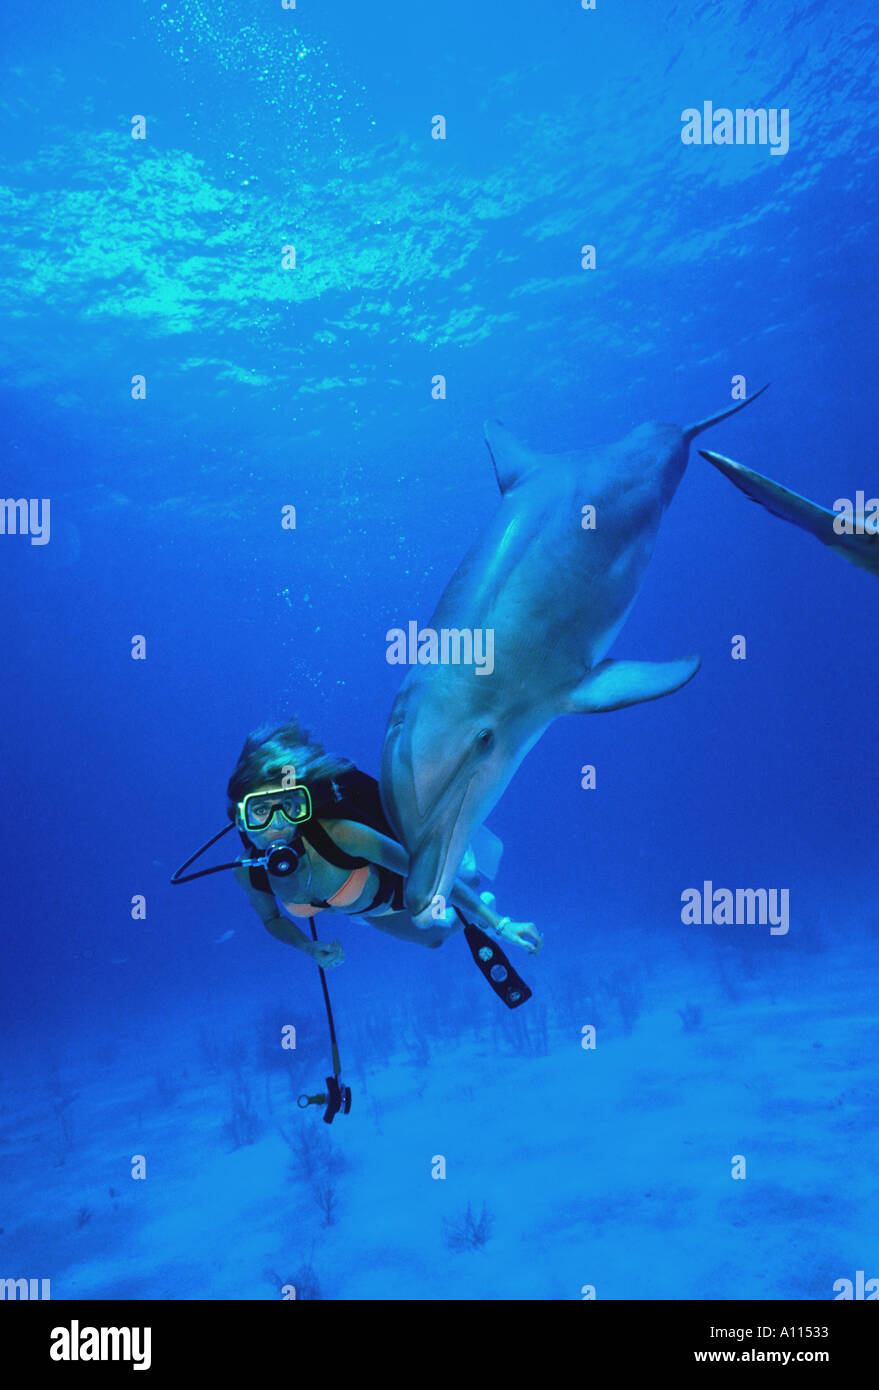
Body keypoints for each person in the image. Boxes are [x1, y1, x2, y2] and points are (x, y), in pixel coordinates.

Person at [226, 719, 542, 970]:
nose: (278, 823)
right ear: (240, 819)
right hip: (369, 909)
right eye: (261, 811)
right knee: (434, 940)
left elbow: (426, 877)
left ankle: (463, 861)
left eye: (290, 806)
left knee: (457, 885)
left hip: (398, 890)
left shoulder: (342, 835)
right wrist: (308, 948)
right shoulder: (249, 873)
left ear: (304, 805)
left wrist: (500, 925)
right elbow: (272, 919)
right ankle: (468, 908)